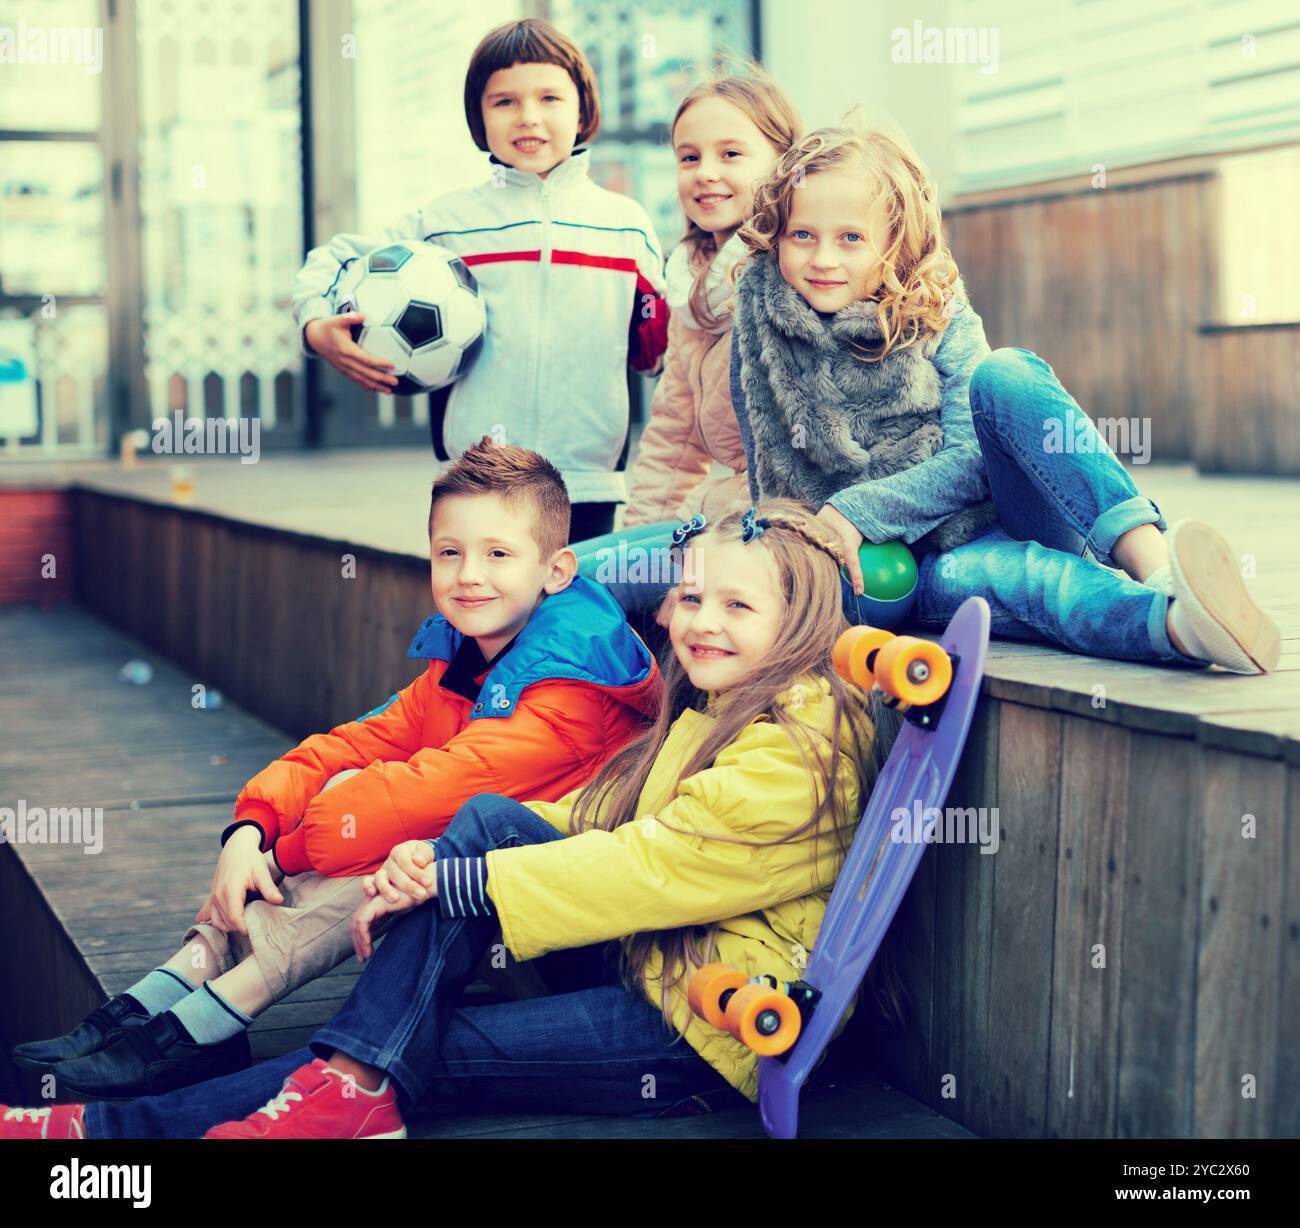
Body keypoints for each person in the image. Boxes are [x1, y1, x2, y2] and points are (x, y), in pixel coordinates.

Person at [1, 501, 885, 1140]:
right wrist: (432, 853)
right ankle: (336, 1089)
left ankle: (108, 1130)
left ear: (799, 621)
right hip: (647, 958)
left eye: (737, 607)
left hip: (698, 1031)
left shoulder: (796, 752)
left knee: (405, 1048)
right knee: (486, 827)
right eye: (691, 600)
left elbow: (644, 868)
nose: (700, 623)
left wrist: (451, 877)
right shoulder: (716, 710)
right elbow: (596, 811)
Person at [8, 439, 660, 1104]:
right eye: (450, 553)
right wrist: (248, 830)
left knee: (392, 838)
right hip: (490, 914)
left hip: (574, 953)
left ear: (555, 570)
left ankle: (201, 1026)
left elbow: (385, 812)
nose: (469, 575)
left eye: (498, 554)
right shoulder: (471, 657)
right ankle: (163, 1005)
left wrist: (280, 854)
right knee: (370, 803)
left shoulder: (569, 694)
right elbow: (348, 743)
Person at [728, 121, 1280, 672]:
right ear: (778, 236)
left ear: (894, 244)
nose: (824, 258)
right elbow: (766, 469)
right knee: (1033, 580)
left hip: (1005, 507)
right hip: (913, 567)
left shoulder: (939, 313)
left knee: (1007, 372)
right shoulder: (760, 325)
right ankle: (1180, 626)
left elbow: (973, 460)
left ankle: (1156, 565)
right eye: (803, 235)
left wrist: (856, 510)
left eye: (851, 238)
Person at [294, 18, 668, 540]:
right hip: (476, 481)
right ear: (479, 117)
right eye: (504, 102)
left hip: (587, 486)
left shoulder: (625, 225)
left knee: (574, 621)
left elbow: (668, 344)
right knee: (480, 617)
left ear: (583, 107)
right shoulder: (447, 223)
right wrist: (316, 326)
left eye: (549, 99)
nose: (528, 117)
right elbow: (331, 257)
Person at [572, 66, 799, 634]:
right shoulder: (693, 284)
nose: (706, 174)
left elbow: (798, 459)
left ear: (782, 165)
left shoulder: (792, 275)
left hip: (777, 527)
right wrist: (639, 541)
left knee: (575, 592)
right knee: (581, 581)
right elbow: (673, 436)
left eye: (731, 154)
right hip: (717, 512)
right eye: (689, 157)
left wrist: (681, 537)